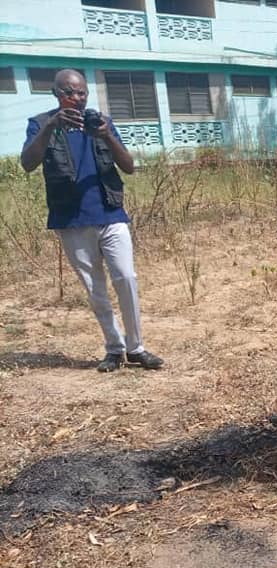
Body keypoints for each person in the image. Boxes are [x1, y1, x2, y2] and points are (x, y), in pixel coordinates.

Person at [20, 69, 163, 373]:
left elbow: (129, 166)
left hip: (111, 214)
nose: (78, 98)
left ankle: (136, 348)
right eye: (70, 92)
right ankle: (114, 348)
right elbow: (28, 163)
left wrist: (107, 135)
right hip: (71, 220)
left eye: (82, 92)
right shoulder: (40, 124)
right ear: (56, 94)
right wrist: (50, 127)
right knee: (95, 288)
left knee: (126, 277)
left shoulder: (101, 122)